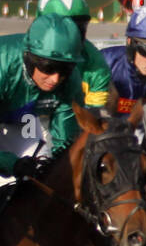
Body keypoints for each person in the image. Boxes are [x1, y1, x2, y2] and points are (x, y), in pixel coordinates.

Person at [0, 14, 85, 182]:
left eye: (65, 69)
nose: (55, 79)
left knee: (40, 173)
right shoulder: (3, 65)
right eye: (49, 67)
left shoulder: (71, 80)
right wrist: (10, 164)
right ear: (29, 58)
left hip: (21, 119)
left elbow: (66, 144)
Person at [36, 0, 110, 111]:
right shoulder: (16, 55)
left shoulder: (96, 64)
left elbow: (94, 119)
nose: (72, 37)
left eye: (78, 27)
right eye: (64, 28)